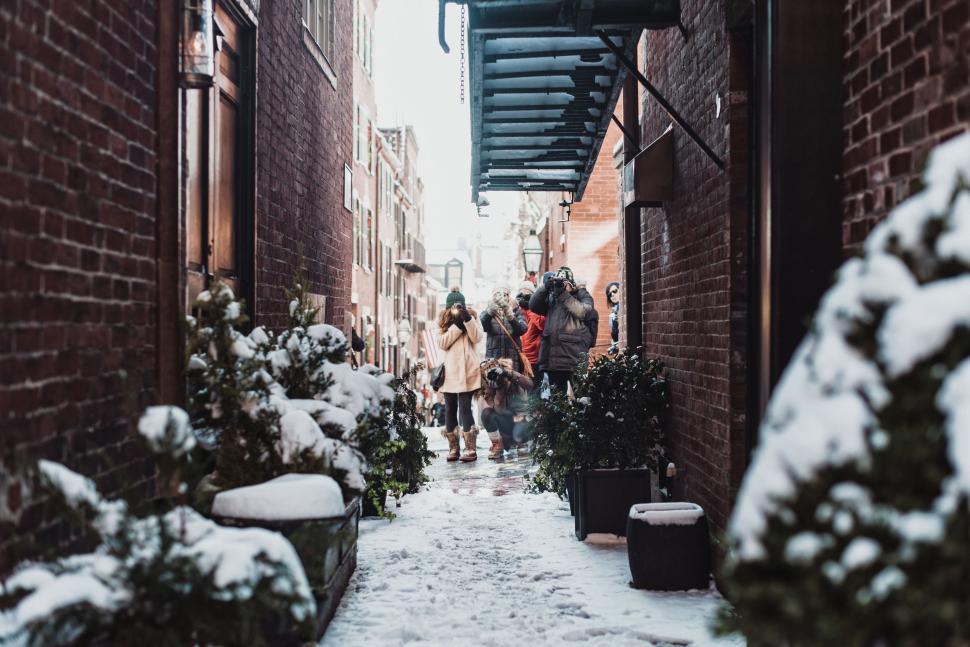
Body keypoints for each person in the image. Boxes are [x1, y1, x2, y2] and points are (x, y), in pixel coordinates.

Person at [528, 266, 594, 392]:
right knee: (557, 400)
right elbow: (533, 306)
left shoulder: (580, 296)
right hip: (554, 361)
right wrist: (545, 287)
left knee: (581, 397)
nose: (561, 287)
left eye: (564, 284)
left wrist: (563, 294)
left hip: (574, 358)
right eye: (559, 284)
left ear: (572, 285)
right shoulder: (551, 299)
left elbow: (583, 312)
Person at [437, 287, 484, 462]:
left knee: (465, 408)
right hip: (450, 372)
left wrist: (467, 320)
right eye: (453, 307)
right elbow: (442, 343)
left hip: (468, 371)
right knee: (450, 409)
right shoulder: (443, 320)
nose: (455, 309)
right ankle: (453, 448)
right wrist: (456, 327)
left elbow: (477, 338)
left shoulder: (472, 316)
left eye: (459, 306)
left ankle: (470, 448)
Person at [478, 358, 534, 459]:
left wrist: (508, 374)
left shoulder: (512, 377)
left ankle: (521, 441)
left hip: (521, 418)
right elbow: (499, 410)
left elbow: (529, 384)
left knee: (519, 438)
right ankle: (497, 445)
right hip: (506, 420)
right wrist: (497, 389)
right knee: (486, 413)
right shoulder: (489, 386)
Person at [480, 285, 528, 372]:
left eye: (504, 295)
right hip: (494, 359)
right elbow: (482, 326)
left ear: (509, 296)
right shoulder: (487, 311)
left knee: (513, 384)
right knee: (494, 384)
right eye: (497, 295)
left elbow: (522, 329)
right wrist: (489, 313)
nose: (502, 298)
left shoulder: (516, 310)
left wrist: (510, 316)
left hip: (512, 359)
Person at [516, 281, 545, 380]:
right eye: (522, 293)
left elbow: (541, 325)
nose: (524, 295)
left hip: (534, 359)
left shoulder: (536, 309)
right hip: (519, 357)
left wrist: (529, 308)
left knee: (534, 391)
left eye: (527, 293)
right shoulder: (516, 310)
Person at [606, 281, 620, 352]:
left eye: (614, 291)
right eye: (610, 294)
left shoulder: (624, 308)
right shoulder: (614, 310)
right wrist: (614, 345)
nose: (612, 295)